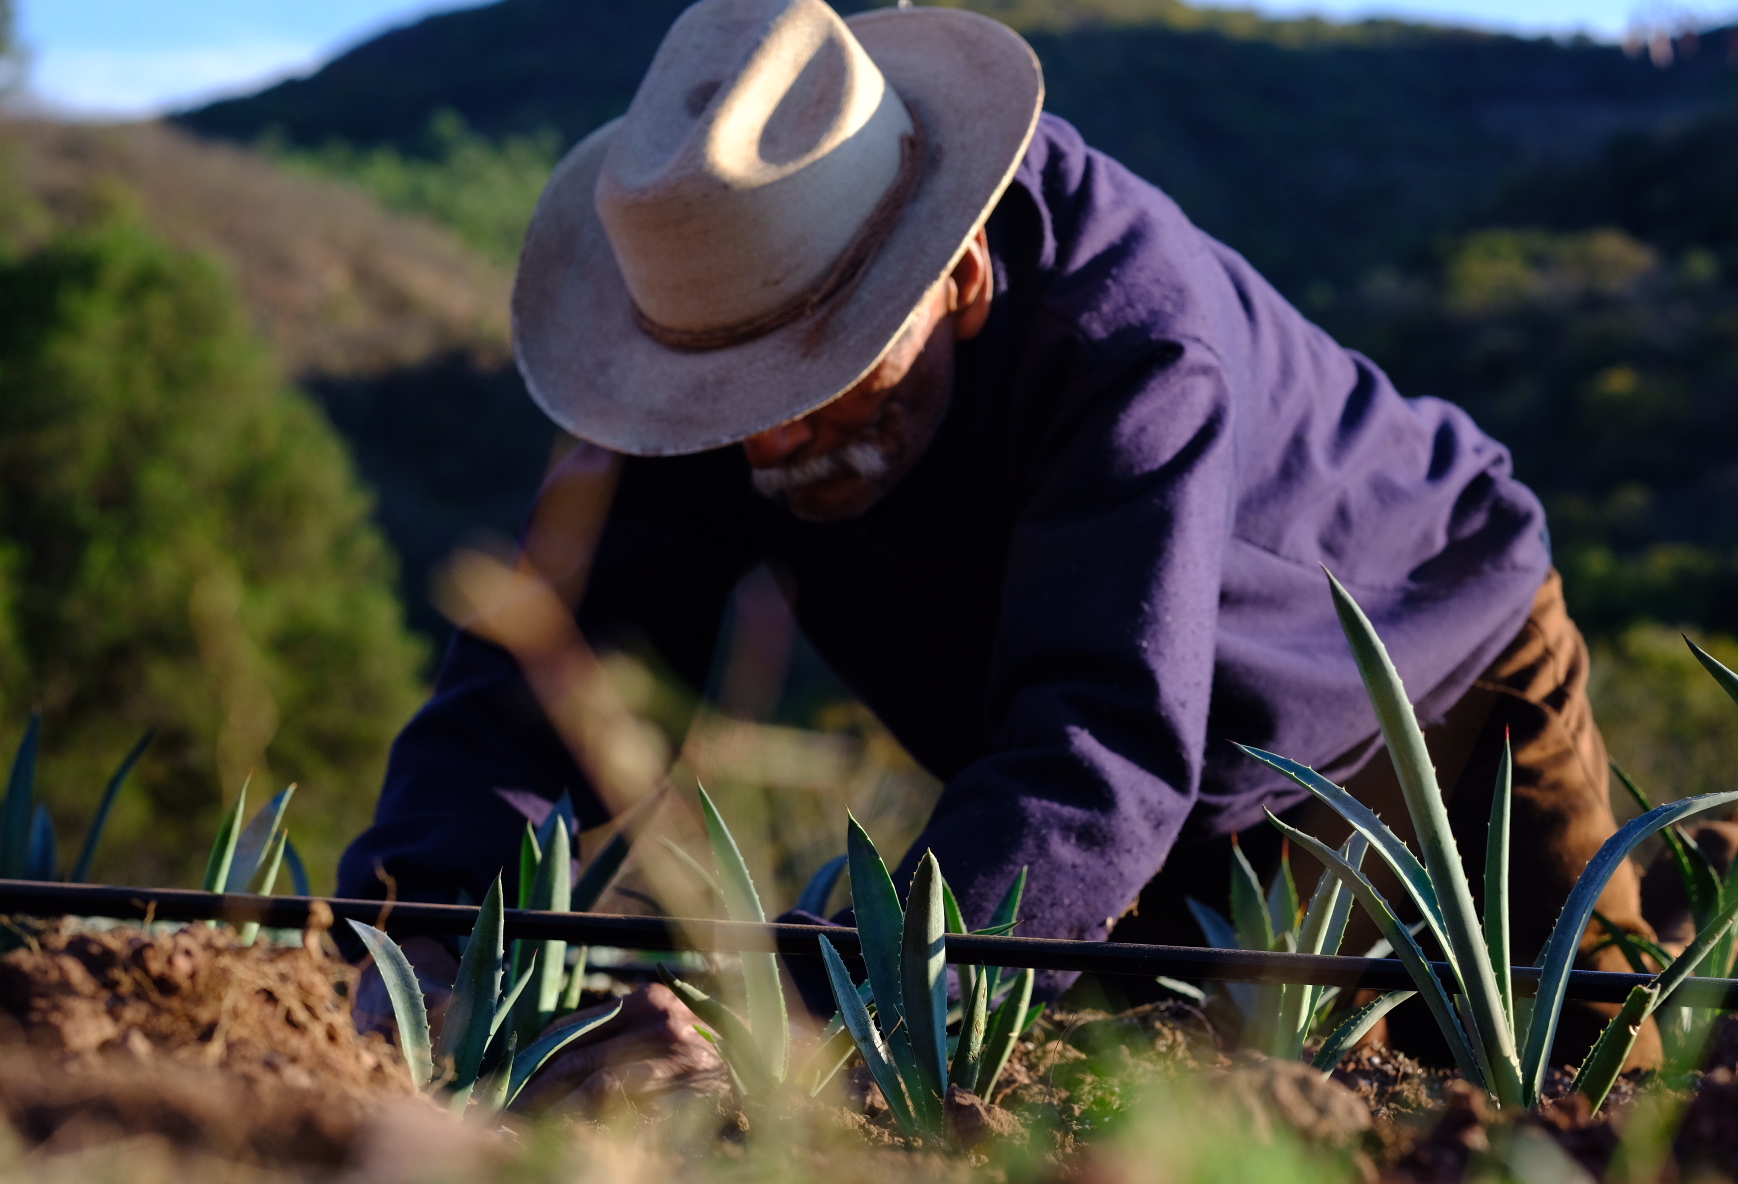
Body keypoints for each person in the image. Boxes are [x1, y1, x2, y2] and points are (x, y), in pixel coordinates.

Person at [343, 0, 1659, 1104]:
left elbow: (1101, 748)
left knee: (1580, 1101)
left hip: (1438, 690)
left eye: (830, 380)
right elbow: (545, 688)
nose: (771, 440)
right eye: (729, 406)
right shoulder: (704, 324)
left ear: (960, 278)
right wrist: (420, 948)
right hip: (1149, 775)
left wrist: (778, 1026)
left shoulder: (1131, 344)